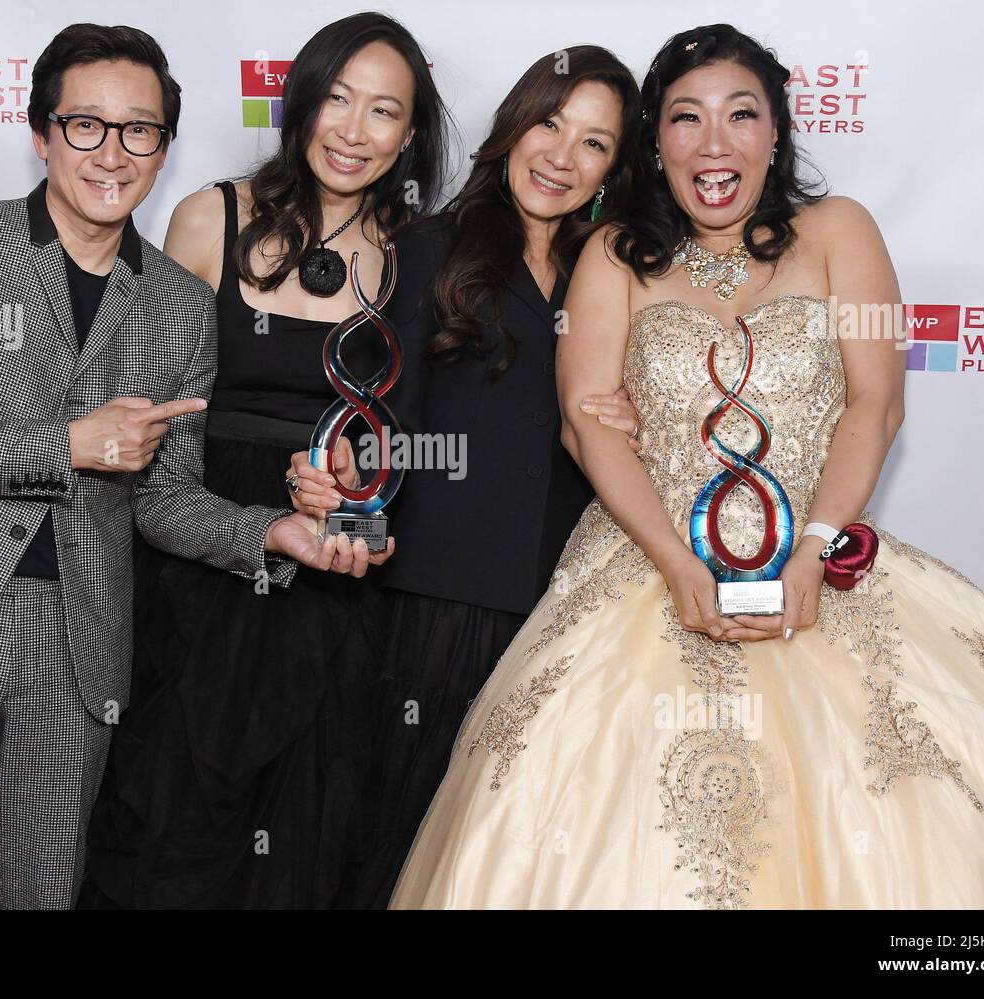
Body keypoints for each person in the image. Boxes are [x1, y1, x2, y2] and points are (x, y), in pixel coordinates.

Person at [390, 23, 984, 909]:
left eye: (740, 115)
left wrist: (815, 549)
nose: (714, 143)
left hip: (819, 565)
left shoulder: (838, 233)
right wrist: (676, 563)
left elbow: (877, 403)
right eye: (685, 119)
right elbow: (591, 426)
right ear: (655, 144)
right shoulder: (615, 255)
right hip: (643, 564)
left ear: (776, 131)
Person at [0, 22, 364, 910]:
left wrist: (272, 529)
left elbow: (166, 498)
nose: (113, 152)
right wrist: (68, 445)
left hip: (79, 640)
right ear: (41, 133)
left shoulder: (181, 305)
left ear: (164, 147)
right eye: (85, 126)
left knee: (46, 889)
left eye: (138, 130)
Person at [78, 12, 452, 909]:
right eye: (336, 99)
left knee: (309, 819)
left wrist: (354, 488)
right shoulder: (212, 215)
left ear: (409, 135)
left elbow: (403, 427)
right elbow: (156, 413)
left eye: (384, 112)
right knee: (174, 806)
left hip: (330, 558)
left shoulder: (421, 252)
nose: (354, 131)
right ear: (300, 102)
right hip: (204, 548)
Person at [287, 45, 641, 908]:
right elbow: (389, 419)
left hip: (568, 606)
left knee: (523, 857)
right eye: (550, 123)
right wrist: (347, 484)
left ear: (614, 168)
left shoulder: (621, 268)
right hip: (442, 601)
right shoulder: (432, 244)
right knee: (409, 838)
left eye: (594, 143)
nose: (562, 156)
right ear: (512, 126)